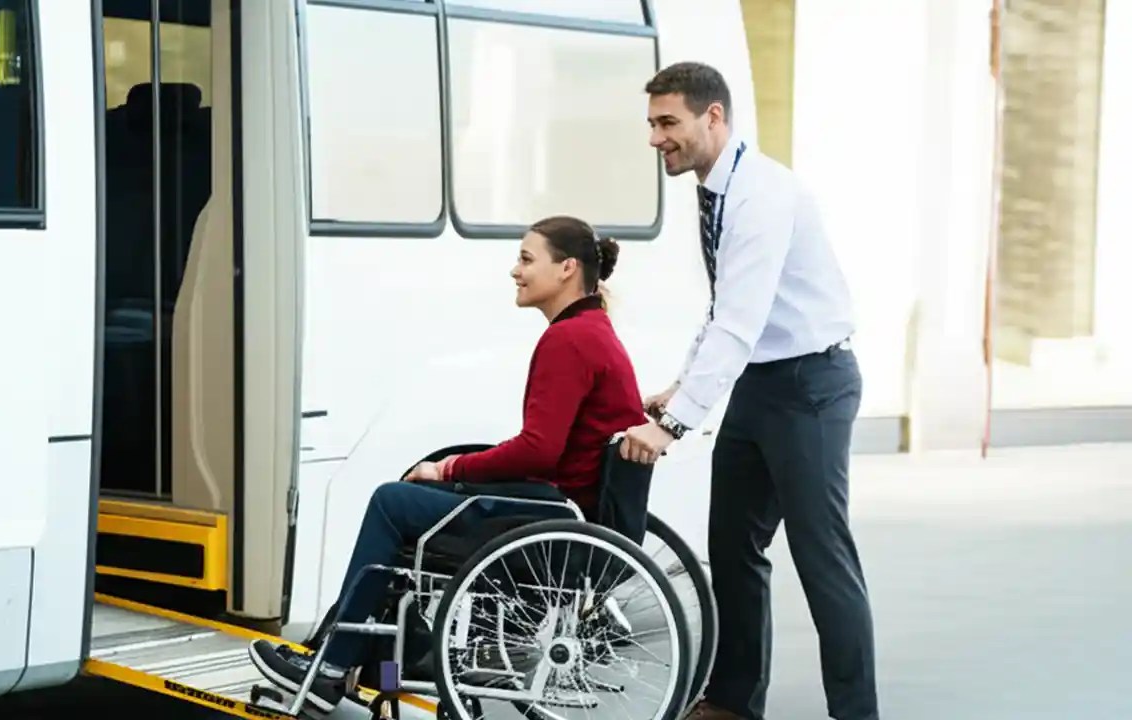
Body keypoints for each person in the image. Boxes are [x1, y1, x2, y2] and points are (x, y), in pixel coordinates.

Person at [248, 215, 647, 713]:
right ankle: (361, 659)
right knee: (418, 490)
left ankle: (333, 667)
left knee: (393, 502)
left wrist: (452, 469)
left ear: (566, 268)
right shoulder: (592, 330)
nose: (514, 271)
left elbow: (538, 450)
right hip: (568, 512)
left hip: (555, 521)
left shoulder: (569, 340)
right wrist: (454, 467)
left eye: (526, 259)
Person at [619, 62, 879, 720]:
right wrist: (681, 385)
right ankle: (735, 702)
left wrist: (673, 425)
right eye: (652, 124)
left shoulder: (761, 194)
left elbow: (740, 320)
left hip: (811, 385)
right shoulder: (714, 187)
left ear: (714, 118)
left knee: (823, 560)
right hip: (761, 382)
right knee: (732, 545)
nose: (656, 138)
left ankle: (857, 713)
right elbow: (723, 308)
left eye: (667, 122)